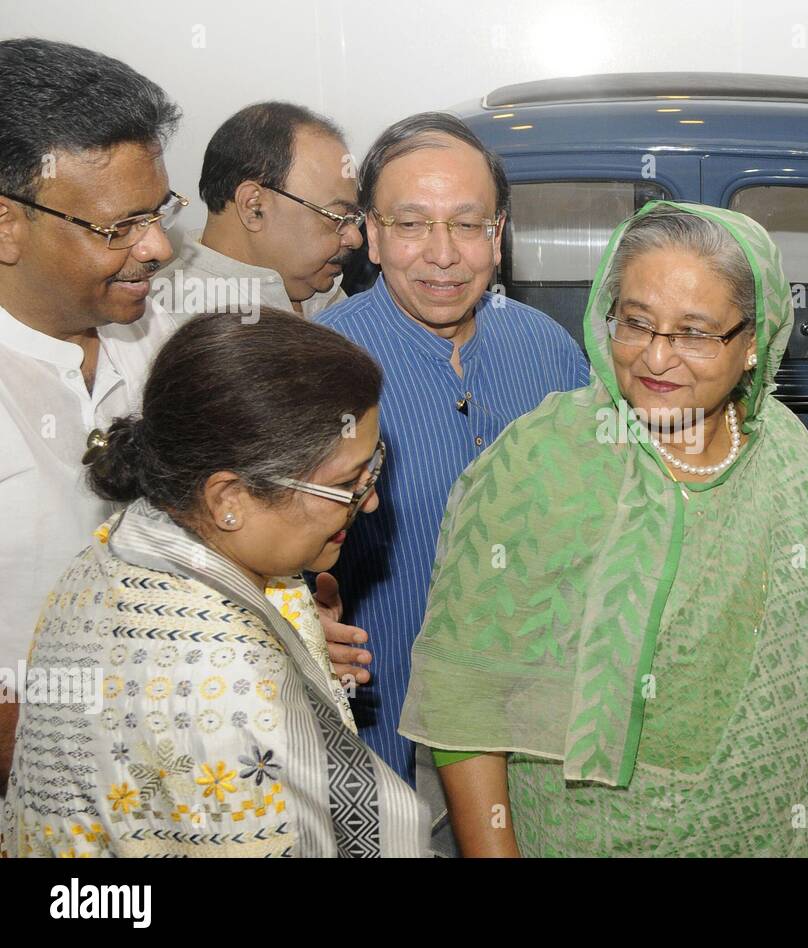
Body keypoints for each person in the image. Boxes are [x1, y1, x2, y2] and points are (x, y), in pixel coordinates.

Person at [399, 201, 808, 856]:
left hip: (778, 829)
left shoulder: (782, 449)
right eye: (635, 322)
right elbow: (465, 698)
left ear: (752, 343)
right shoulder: (542, 462)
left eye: (694, 333)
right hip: (600, 836)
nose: (656, 357)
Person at [1, 311, 439, 857]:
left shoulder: (122, 541)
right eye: (349, 483)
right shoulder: (229, 679)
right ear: (229, 500)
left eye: (373, 468)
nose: (369, 502)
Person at [316, 113, 588, 787]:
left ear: (498, 235)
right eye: (411, 224)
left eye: (468, 224)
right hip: (381, 732)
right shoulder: (316, 363)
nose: (443, 254)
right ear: (372, 233)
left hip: (534, 729)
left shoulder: (547, 348)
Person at [0, 37, 182, 796]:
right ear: (6, 225)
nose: (159, 246)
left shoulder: (164, 342)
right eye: (119, 227)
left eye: (159, 212)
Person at [152, 102, 362, 321]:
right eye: (337, 218)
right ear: (253, 207)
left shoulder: (322, 291)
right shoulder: (173, 321)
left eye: (354, 219)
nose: (356, 239)